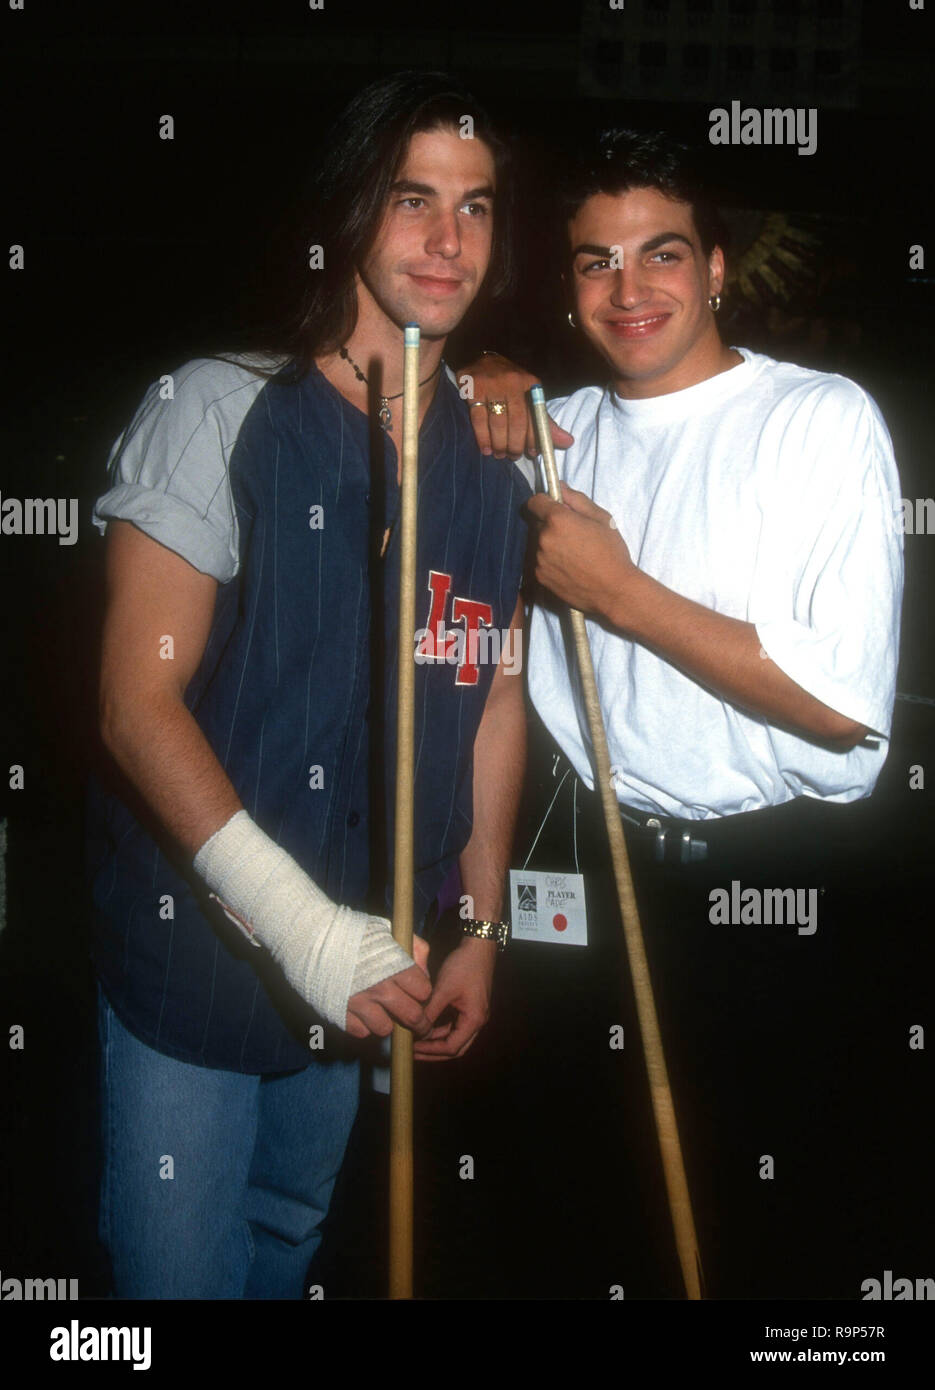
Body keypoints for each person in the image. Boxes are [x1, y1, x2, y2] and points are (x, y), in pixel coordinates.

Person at [86, 71, 529, 1300]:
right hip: (204, 965)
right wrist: (302, 927)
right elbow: (134, 703)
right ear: (344, 211)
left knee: (287, 1241)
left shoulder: (500, 455)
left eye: (477, 207)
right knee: (174, 1286)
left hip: (373, 965)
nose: (447, 242)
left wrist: (481, 925)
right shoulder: (217, 406)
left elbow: (492, 697)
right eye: (410, 200)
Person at [463, 129, 903, 1298]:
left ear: (716, 267)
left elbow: (843, 715)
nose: (628, 289)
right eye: (594, 263)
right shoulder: (554, 439)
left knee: (775, 1219)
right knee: (583, 1201)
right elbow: (417, 382)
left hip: (771, 889)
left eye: (659, 255)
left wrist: (617, 593)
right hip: (591, 876)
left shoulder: (817, 419)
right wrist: (483, 369)